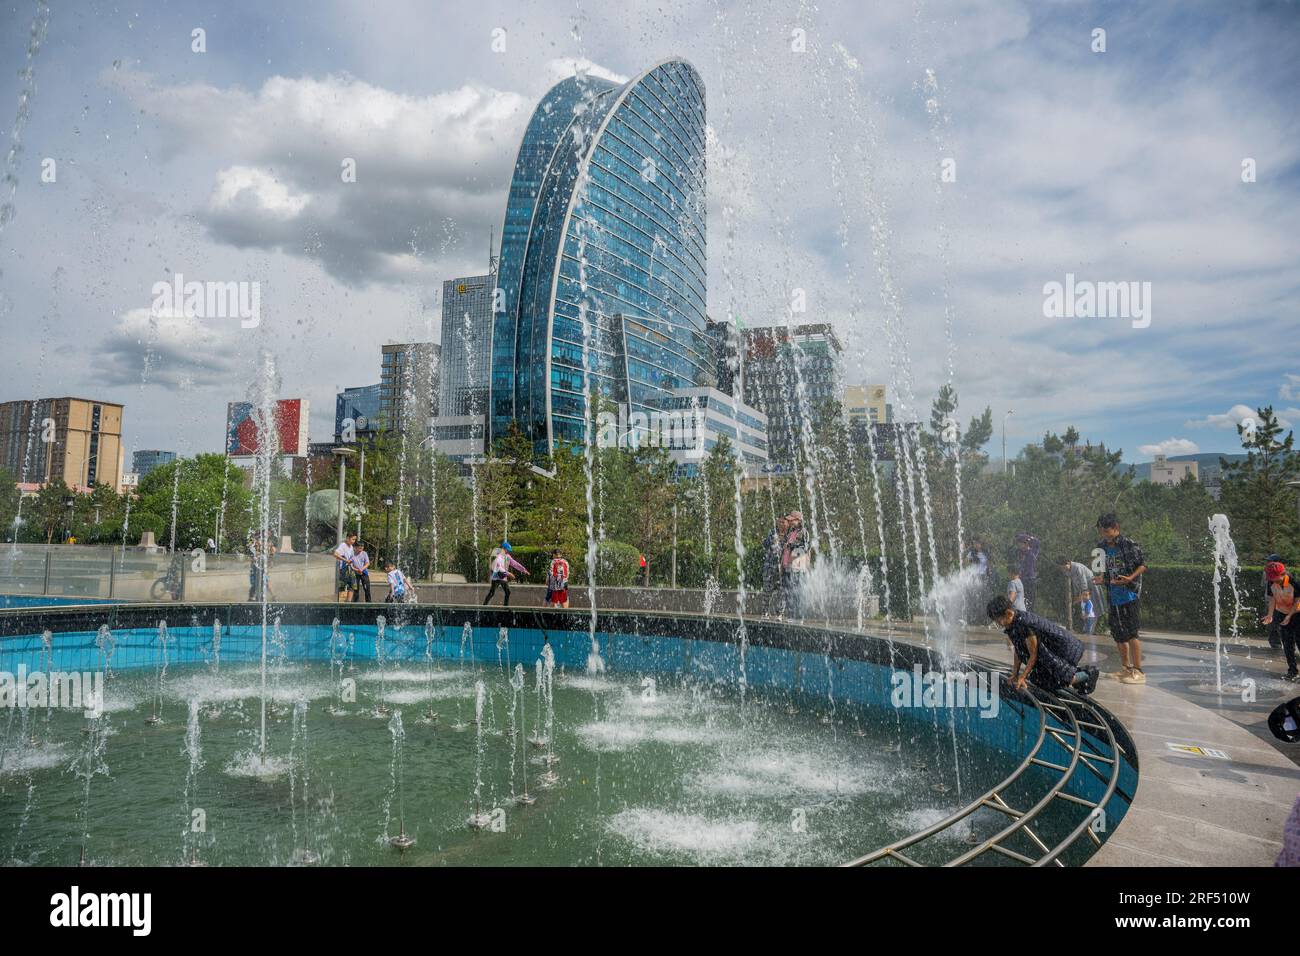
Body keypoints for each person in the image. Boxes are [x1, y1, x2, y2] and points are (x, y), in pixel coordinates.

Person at [987, 595, 1098, 695]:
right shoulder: (1012, 625)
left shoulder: (1025, 624)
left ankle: (1088, 673)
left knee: (1063, 679)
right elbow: (1018, 650)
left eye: (998, 620)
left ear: (1008, 613)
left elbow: (1033, 654)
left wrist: (1022, 676)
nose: (997, 623)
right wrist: (1015, 674)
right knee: (1038, 679)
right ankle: (1078, 676)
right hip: (1050, 652)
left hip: (1064, 649)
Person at [1095, 513, 1148, 685]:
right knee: (1118, 634)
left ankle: (1138, 670)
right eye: (1101, 531)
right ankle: (1125, 669)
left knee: (1132, 633)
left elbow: (1143, 564)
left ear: (1116, 528)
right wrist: (1101, 579)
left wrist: (1130, 578)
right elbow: (1103, 569)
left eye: (1106, 530)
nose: (1104, 534)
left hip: (1129, 595)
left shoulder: (1128, 544)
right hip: (1113, 596)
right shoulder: (1101, 546)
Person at [1262, 560, 1299, 682]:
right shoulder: (1271, 583)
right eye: (1271, 578)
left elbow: (1297, 600)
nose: (1273, 580)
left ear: (1283, 574)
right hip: (1282, 614)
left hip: (1297, 614)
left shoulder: (1294, 581)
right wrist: (1270, 615)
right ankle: (1292, 671)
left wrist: (1290, 615)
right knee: (1288, 645)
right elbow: (1272, 599)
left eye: (1276, 578)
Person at [1058, 555, 1104, 635]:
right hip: (1083, 590)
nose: (1063, 569)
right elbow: (1075, 583)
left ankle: (1090, 631)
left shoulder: (1077, 567)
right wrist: (1076, 595)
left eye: (1064, 567)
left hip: (1091, 587)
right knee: (1085, 610)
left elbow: (1083, 582)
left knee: (1093, 609)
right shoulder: (1067, 570)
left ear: (1068, 563)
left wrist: (1083, 595)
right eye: (1061, 568)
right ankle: (1087, 630)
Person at [782, 511, 811, 619]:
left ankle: (799, 616)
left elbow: (806, 547)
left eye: (791, 520)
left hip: (798, 567)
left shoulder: (804, 532)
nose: (789, 522)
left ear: (798, 520)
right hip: (788, 566)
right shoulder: (791, 533)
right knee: (789, 591)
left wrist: (791, 545)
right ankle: (791, 615)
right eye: (789, 520)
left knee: (797, 591)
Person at [483, 540, 528, 606]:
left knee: (508, 592)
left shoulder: (508, 557)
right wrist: (509, 574)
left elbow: (515, 564)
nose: (508, 551)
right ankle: (484, 606)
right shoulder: (498, 557)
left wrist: (523, 570)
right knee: (492, 592)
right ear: (503, 549)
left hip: (503, 578)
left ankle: (505, 606)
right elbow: (499, 568)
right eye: (507, 550)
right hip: (496, 578)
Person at [761, 517, 789, 617]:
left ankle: (779, 614)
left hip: (783, 569)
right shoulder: (772, 533)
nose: (782, 524)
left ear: (787, 524)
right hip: (769, 568)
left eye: (784, 522)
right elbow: (765, 544)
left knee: (782, 591)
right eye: (780, 522)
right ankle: (765, 612)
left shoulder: (789, 536)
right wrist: (772, 539)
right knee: (767, 591)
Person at [1013, 532, 1041, 611]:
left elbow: (1038, 542)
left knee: (1030, 600)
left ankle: (1030, 615)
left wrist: (1028, 537)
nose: (1019, 546)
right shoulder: (1019, 552)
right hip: (1021, 579)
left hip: (1030, 579)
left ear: (1026, 543)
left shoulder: (1033, 552)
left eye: (1021, 544)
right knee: (1021, 599)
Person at [1263, 553, 1284, 650]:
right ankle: (1276, 644)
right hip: (1274, 602)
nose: (1267, 563)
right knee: (1273, 623)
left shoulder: (1287, 578)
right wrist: (1270, 614)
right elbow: (1273, 596)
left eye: (1270, 561)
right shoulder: (1269, 576)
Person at [333, 531, 358, 603]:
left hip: (350, 569)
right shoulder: (343, 545)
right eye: (352, 539)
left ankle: (348, 602)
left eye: (355, 539)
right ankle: (340, 603)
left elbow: (351, 559)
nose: (354, 541)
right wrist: (345, 560)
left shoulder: (351, 547)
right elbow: (335, 554)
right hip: (343, 569)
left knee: (352, 586)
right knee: (342, 587)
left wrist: (355, 568)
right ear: (347, 538)